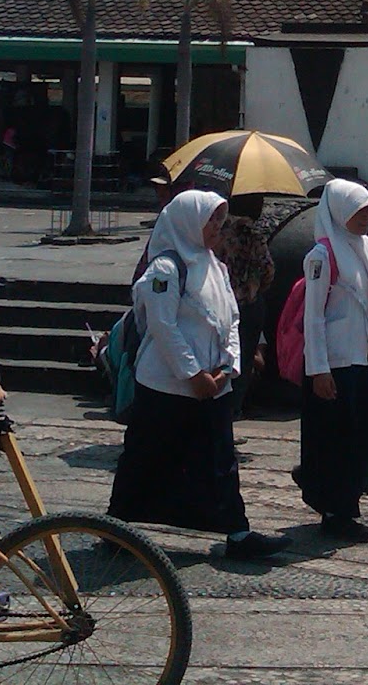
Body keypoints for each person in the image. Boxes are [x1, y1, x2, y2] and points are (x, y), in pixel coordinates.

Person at [106, 189, 290, 560]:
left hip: (213, 385)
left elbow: (231, 319)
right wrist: (192, 373)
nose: (217, 229)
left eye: (220, 222)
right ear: (188, 222)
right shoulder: (167, 268)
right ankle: (117, 528)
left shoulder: (215, 266)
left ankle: (238, 533)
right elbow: (162, 326)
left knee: (220, 460)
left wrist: (229, 367)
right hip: (166, 386)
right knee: (144, 457)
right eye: (210, 221)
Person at [296, 180, 368, 543]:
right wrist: (318, 368)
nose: (365, 218)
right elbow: (313, 316)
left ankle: (333, 490)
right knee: (340, 437)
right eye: (358, 211)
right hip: (334, 361)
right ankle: (338, 511)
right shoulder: (322, 256)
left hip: (360, 356)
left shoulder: (365, 248)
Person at [218, 200, 275, 420]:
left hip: (222, 302)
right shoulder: (253, 234)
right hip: (249, 304)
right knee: (243, 362)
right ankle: (233, 412)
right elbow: (268, 269)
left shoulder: (220, 231)